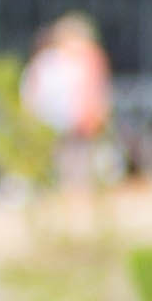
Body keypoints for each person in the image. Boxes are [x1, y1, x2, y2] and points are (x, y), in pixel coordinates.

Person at [26, 10, 114, 189]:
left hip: (80, 122)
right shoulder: (54, 62)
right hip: (61, 122)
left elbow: (95, 91)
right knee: (70, 170)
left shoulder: (87, 59)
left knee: (80, 171)